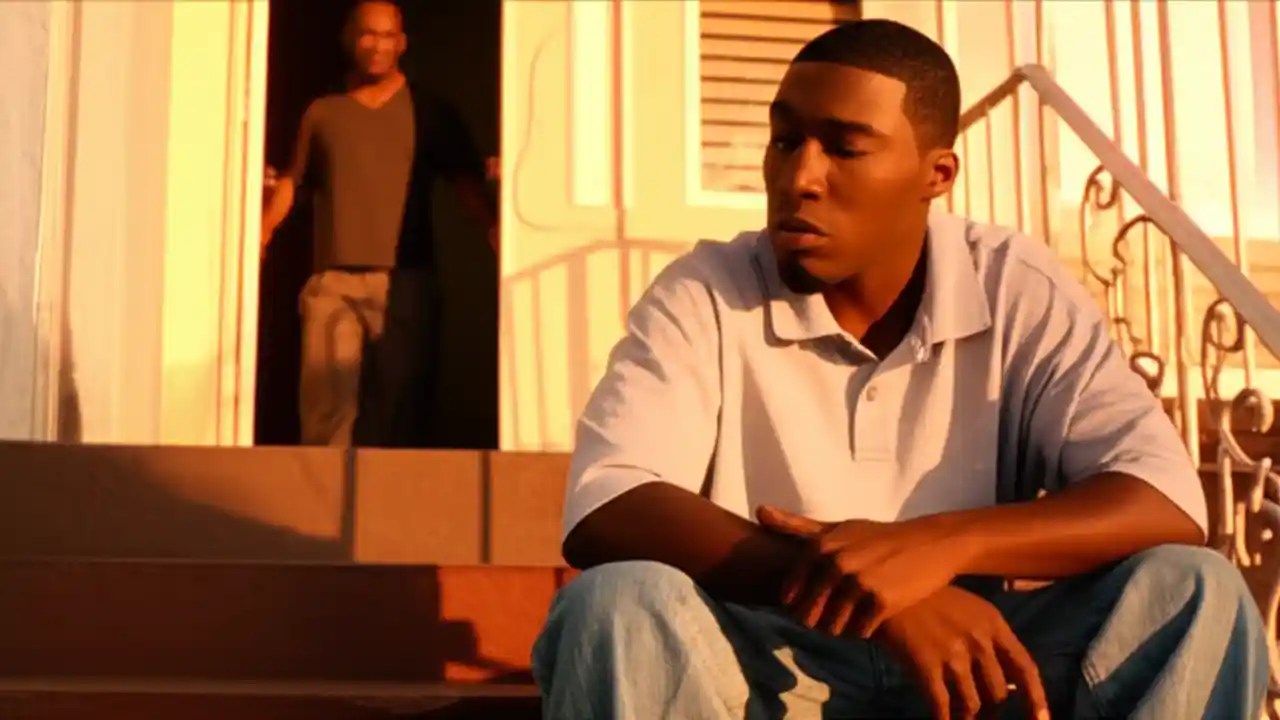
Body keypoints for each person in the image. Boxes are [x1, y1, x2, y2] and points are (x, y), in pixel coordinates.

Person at [532, 19, 1268, 720]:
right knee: (616, 602)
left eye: (845, 148)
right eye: (784, 141)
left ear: (936, 174)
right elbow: (609, 503)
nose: (799, 177)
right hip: (768, 659)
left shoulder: (1012, 286)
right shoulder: (706, 291)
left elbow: (1164, 498)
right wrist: (876, 596)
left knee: (1194, 589)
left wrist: (940, 547)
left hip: (974, 666)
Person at [261, 0, 496, 447]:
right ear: (349, 39)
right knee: (326, 412)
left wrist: (496, 229)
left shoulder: (429, 111)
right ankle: (325, 493)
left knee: (397, 412)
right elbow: (292, 180)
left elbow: (465, 183)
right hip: (332, 282)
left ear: (402, 43)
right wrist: (263, 230)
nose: (377, 45)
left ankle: (381, 494)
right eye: (368, 34)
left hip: (405, 283)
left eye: (388, 35)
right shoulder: (323, 112)